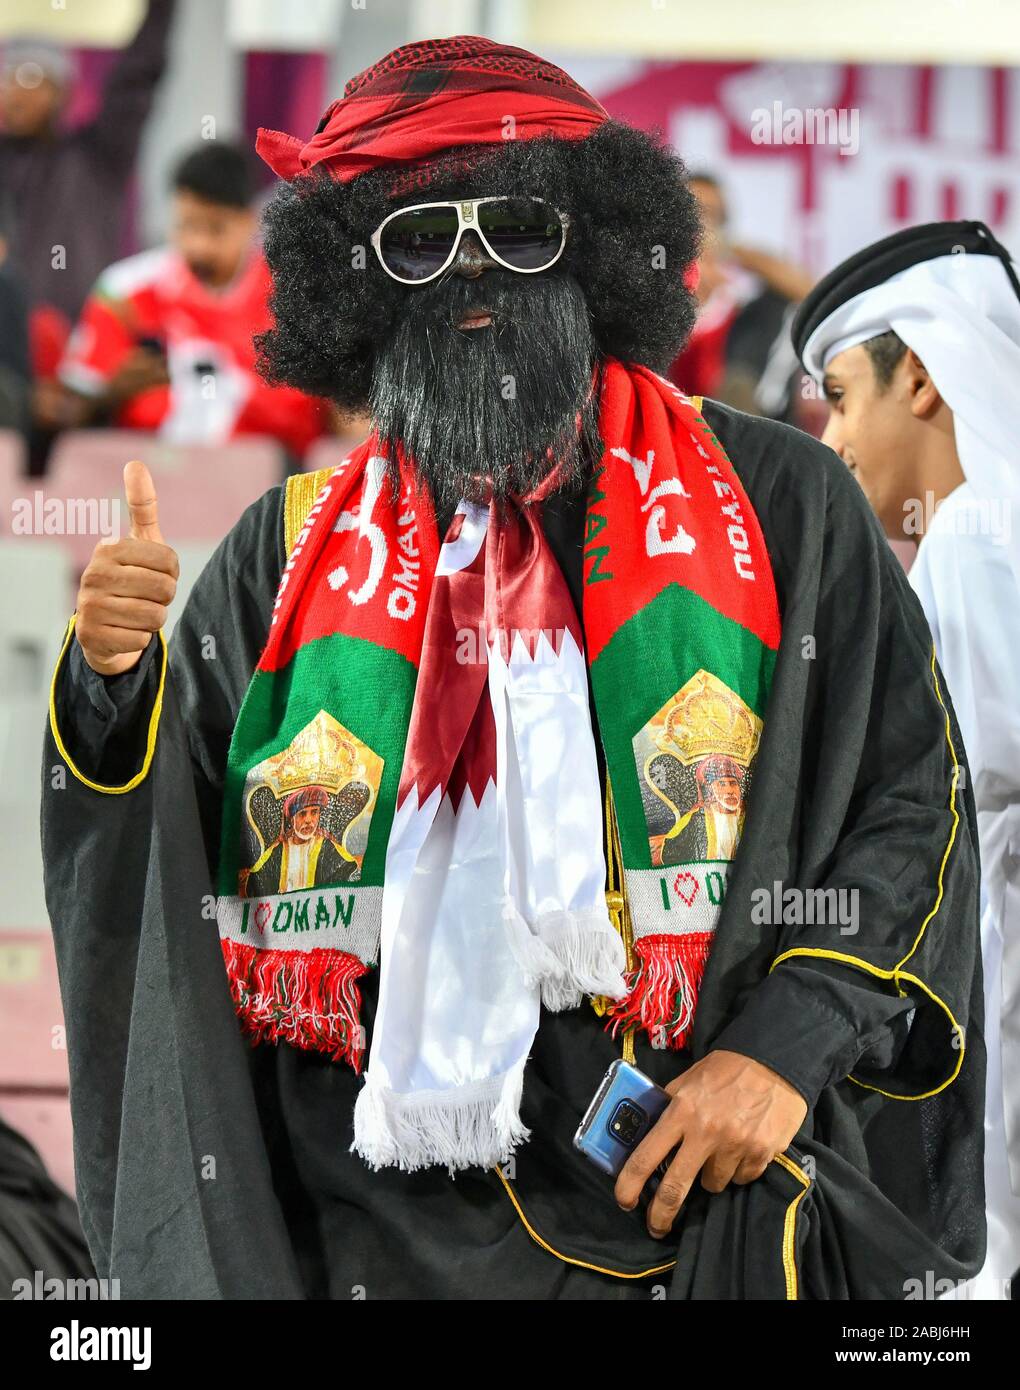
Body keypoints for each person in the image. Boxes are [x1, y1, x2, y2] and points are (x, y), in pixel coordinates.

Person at [42, 37, 984, 1300]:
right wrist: (109, 688)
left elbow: (912, 798)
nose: (473, 268)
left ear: (596, 246)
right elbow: (164, 845)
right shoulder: (287, 550)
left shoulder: (777, 502)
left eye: (521, 226)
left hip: (693, 1200)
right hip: (372, 1231)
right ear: (359, 286)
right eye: (420, 240)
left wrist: (787, 1045)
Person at [793, 218, 1020, 1300]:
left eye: (841, 397)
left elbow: (949, 835)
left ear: (919, 376)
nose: (831, 440)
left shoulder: (975, 536)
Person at [57, 141, 330, 459]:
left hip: (275, 482)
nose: (198, 245)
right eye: (187, 225)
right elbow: (71, 408)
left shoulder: (298, 295)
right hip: (145, 480)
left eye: (215, 229)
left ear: (251, 220)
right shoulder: (124, 292)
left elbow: (322, 413)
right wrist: (110, 394)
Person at [0, 1, 176, 325]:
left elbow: (137, 75)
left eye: (28, 76)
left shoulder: (98, 154)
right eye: (6, 79)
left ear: (60, 90)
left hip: (84, 344)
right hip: (11, 354)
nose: (13, 91)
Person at [670, 172, 813, 422]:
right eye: (693, 211)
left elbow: (810, 291)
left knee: (777, 307)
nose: (702, 223)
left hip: (737, 408)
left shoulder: (741, 309)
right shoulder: (652, 283)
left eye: (711, 214)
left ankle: (744, 422)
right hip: (670, 414)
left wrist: (725, 248)